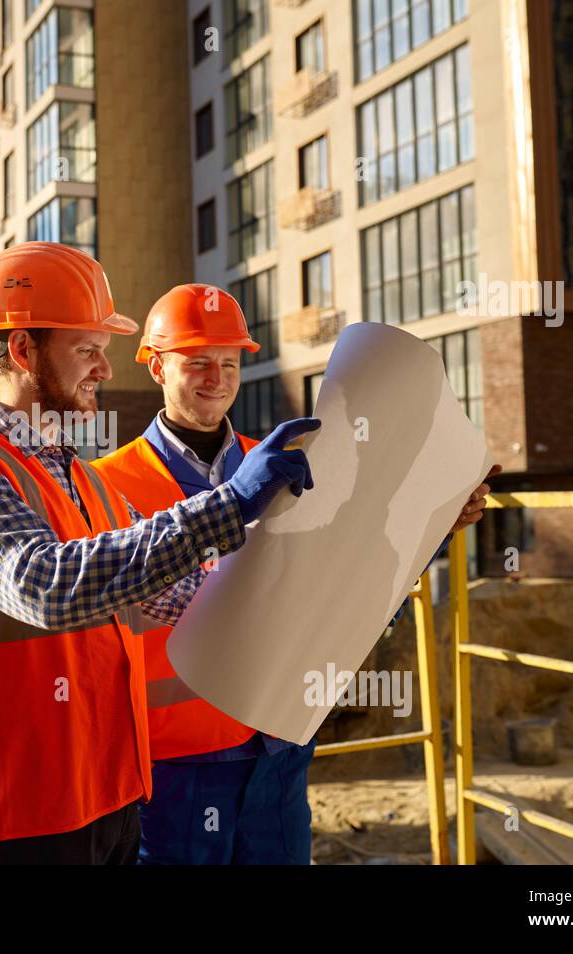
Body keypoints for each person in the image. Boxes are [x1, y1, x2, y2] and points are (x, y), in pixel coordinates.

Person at [0, 245, 318, 865]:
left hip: (106, 800)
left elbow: (190, 595)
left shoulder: (83, 481)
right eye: (87, 350)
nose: (105, 370)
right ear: (25, 350)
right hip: (15, 815)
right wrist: (229, 506)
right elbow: (46, 587)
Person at [93, 283, 496, 864]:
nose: (216, 377)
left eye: (228, 363)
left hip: (277, 752)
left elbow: (349, 577)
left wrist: (431, 529)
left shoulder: (288, 462)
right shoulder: (108, 482)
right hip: (176, 762)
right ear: (155, 366)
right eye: (197, 361)